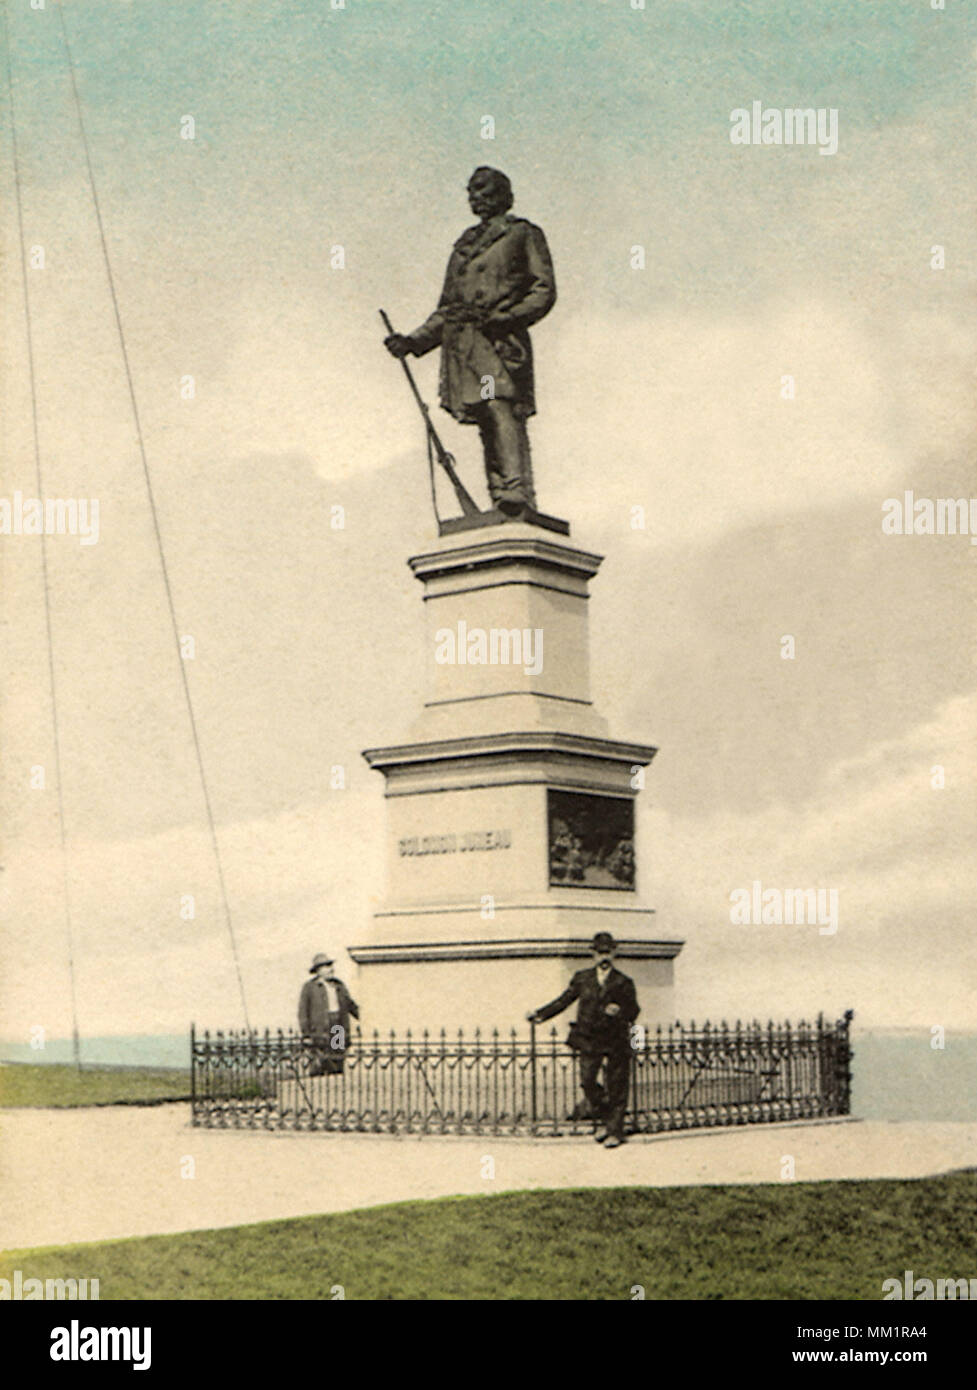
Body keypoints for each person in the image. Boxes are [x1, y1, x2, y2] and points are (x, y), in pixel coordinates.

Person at [384, 166, 556, 519]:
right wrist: (413, 342)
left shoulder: (522, 234)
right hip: (466, 348)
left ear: (504, 195)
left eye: (484, 189)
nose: (476, 197)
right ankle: (501, 496)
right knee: (485, 415)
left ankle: (516, 490)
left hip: (497, 345)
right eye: (471, 191)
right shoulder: (463, 246)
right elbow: (448, 309)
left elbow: (543, 291)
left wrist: (506, 318)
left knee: (498, 406)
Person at [527, 932, 639, 1148]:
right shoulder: (582, 978)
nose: (604, 957)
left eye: (608, 952)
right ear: (593, 954)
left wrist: (621, 1011)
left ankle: (614, 1132)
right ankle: (608, 1119)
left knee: (617, 1085)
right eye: (600, 952)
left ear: (614, 953)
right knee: (587, 1081)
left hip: (615, 1039)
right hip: (589, 1038)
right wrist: (540, 1014)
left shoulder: (624, 982)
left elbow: (634, 1011)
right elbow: (564, 1000)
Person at [297, 952, 359, 1076]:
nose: (331, 969)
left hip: (338, 1025)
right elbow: (303, 1012)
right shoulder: (310, 987)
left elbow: (350, 1005)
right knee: (320, 1061)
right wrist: (306, 1033)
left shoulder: (339, 986)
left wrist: (368, 1017)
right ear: (318, 971)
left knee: (337, 1058)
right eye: (326, 966)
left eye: (330, 966)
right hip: (320, 1029)